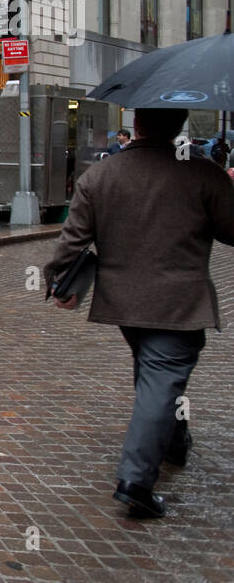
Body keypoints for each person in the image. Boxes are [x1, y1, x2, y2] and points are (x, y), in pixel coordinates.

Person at [44, 107, 234, 518]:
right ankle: (135, 481)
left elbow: (72, 239)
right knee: (160, 379)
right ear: (179, 127)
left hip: (125, 302)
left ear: (137, 125)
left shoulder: (100, 175)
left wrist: (57, 280)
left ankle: (172, 438)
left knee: (155, 373)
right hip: (179, 302)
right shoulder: (204, 173)